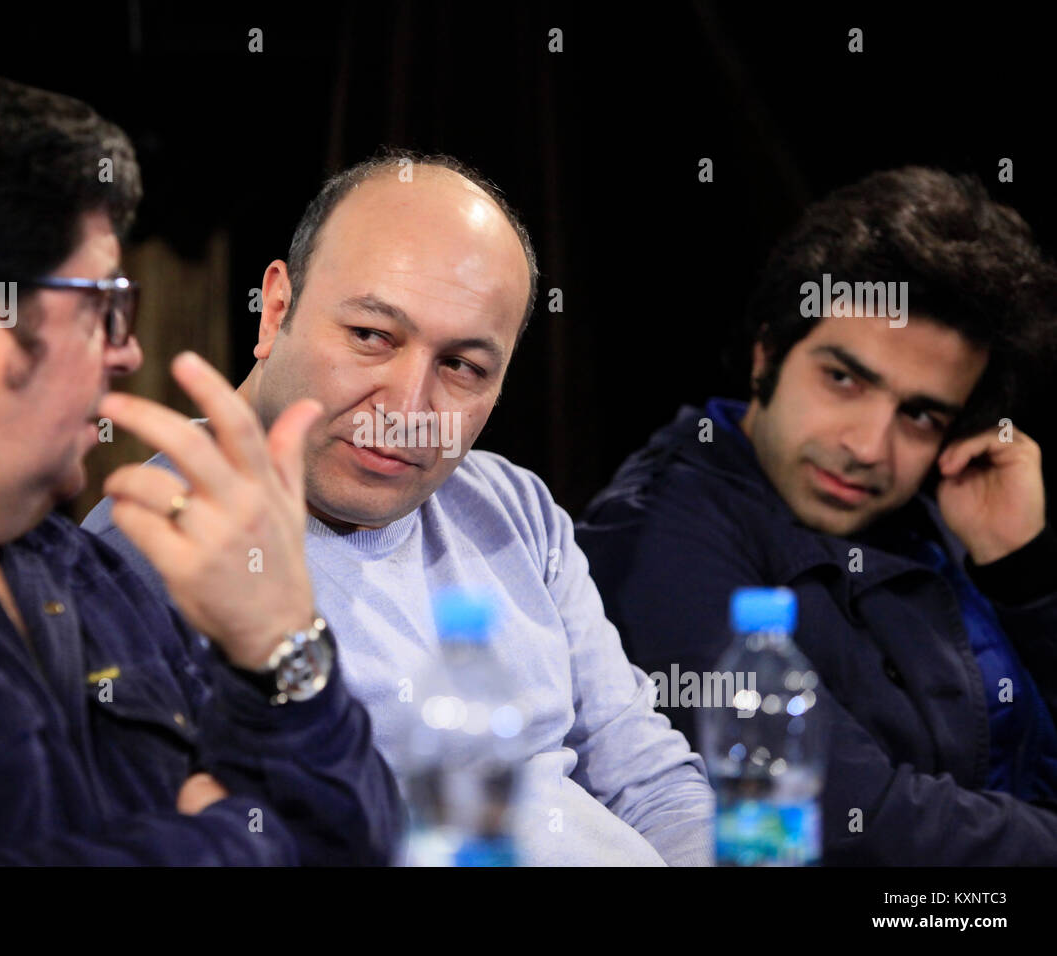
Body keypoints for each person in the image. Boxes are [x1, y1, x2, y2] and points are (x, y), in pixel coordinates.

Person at [0, 66, 402, 865]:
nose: (129, 351)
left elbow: (358, 844)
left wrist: (277, 639)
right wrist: (233, 836)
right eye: (103, 307)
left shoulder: (87, 570)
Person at [86, 152, 714, 865]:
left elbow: (651, 783)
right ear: (276, 309)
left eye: (463, 367)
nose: (409, 410)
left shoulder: (513, 505)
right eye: (372, 337)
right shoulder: (152, 548)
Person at [577, 167, 1057, 864]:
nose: (868, 447)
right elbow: (850, 822)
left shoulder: (940, 508)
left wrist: (1024, 576)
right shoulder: (658, 534)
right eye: (844, 379)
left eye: (920, 414)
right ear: (766, 353)